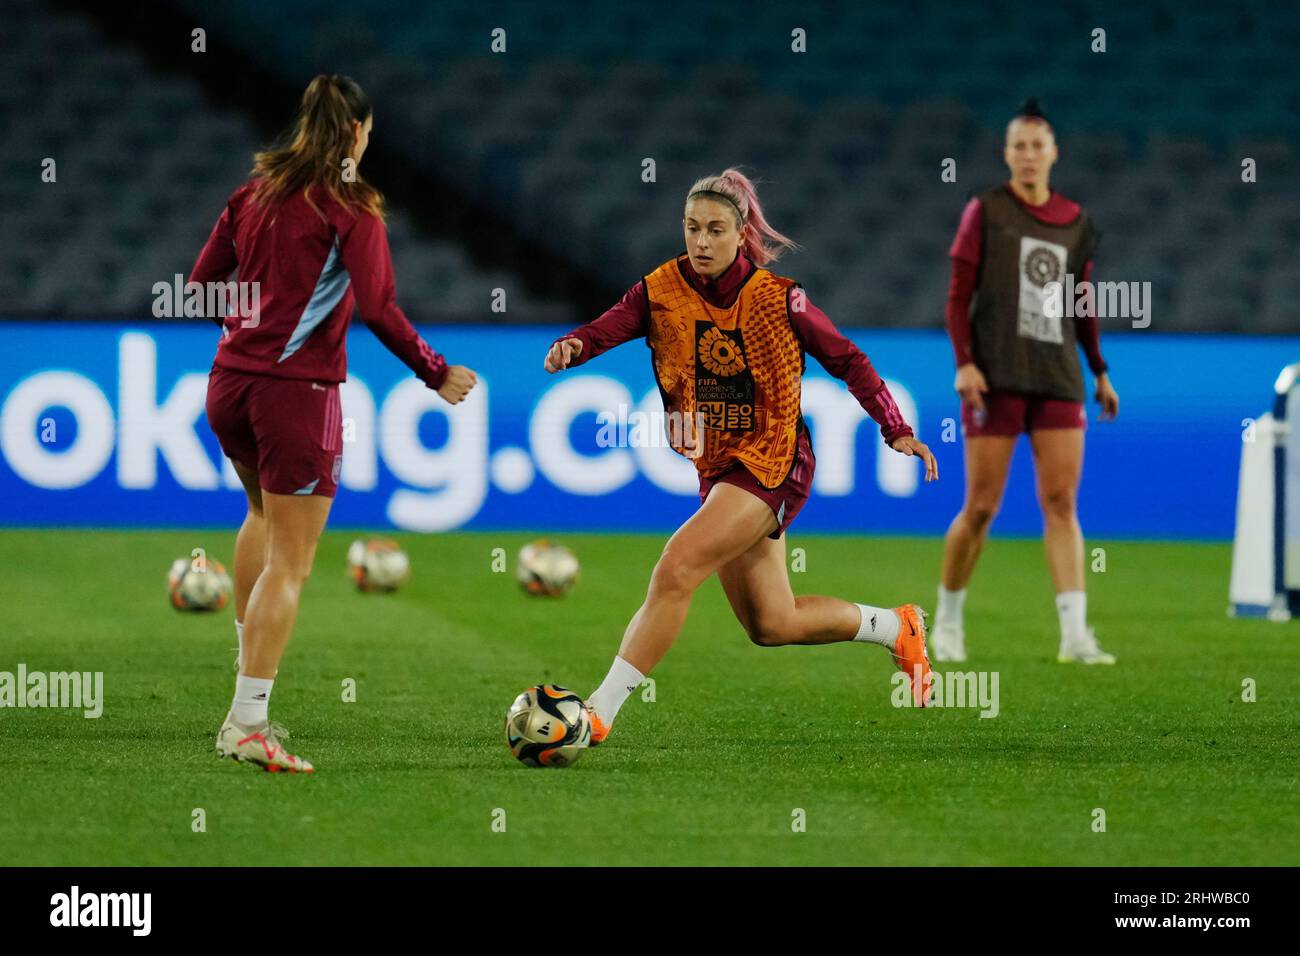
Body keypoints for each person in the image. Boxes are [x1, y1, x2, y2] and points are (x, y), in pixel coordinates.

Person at [544, 168, 939, 744]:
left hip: (773, 460)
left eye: (715, 230)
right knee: (771, 624)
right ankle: (895, 626)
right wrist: (574, 346)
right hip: (719, 467)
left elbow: (848, 359)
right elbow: (606, 329)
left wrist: (895, 427)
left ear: (740, 234)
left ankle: (596, 714)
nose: (700, 242)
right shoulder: (660, 289)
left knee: (677, 566)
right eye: (691, 228)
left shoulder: (780, 299)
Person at [190, 74, 477, 771]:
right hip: (296, 394)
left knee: (261, 513)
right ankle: (247, 722)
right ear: (356, 132)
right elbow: (378, 306)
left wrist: (258, 324)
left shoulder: (252, 195)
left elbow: (199, 287)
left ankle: (244, 677)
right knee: (293, 563)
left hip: (229, 385)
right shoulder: (350, 210)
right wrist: (435, 370)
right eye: (368, 131)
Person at [934, 98, 1119, 664]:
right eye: (1019, 145)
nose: (1029, 155)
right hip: (996, 377)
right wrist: (964, 363)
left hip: (1058, 377)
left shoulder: (1078, 223)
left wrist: (1100, 370)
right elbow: (958, 295)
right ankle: (947, 620)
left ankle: (1074, 636)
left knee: (1061, 502)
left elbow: (1082, 305)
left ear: (1054, 153)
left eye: (1038, 145)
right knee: (983, 507)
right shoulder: (986, 211)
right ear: (1007, 153)